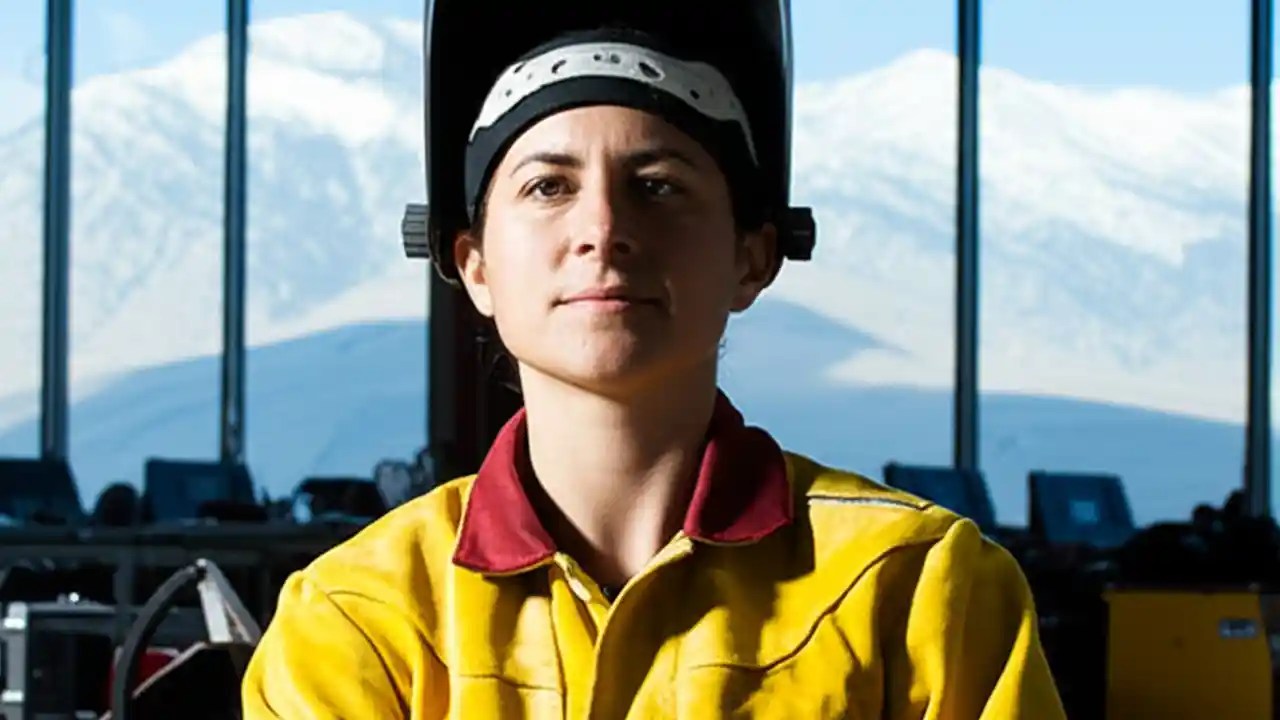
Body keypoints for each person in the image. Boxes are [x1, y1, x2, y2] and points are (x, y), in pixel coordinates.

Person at [241, 5, 1066, 718]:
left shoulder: (917, 589)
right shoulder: (360, 617)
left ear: (753, 258)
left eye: (660, 184)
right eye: (547, 187)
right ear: (475, 264)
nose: (604, 228)